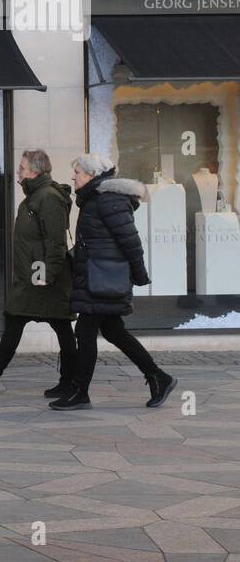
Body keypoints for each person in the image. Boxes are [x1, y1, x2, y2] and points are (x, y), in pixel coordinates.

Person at [54, 154, 177, 411]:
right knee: (113, 330)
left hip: (103, 279)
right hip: (96, 277)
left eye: (77, 172)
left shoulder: (106, 201)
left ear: (91, 175)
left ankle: (80, 392)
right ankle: (158, 377)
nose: (73, 176)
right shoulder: (94, 200)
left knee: (86, 332)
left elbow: (130, 241)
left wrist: (140, 275)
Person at [0, 149, 77, 396]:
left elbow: (55, 242)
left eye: (22, 168)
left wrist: (49, 274)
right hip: (32, 277)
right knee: (16, 320)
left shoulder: (47, 198)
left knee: (61, 327)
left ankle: (70, 381)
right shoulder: (34, 197)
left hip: (44, 277)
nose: (19, 173)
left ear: (35, 171)